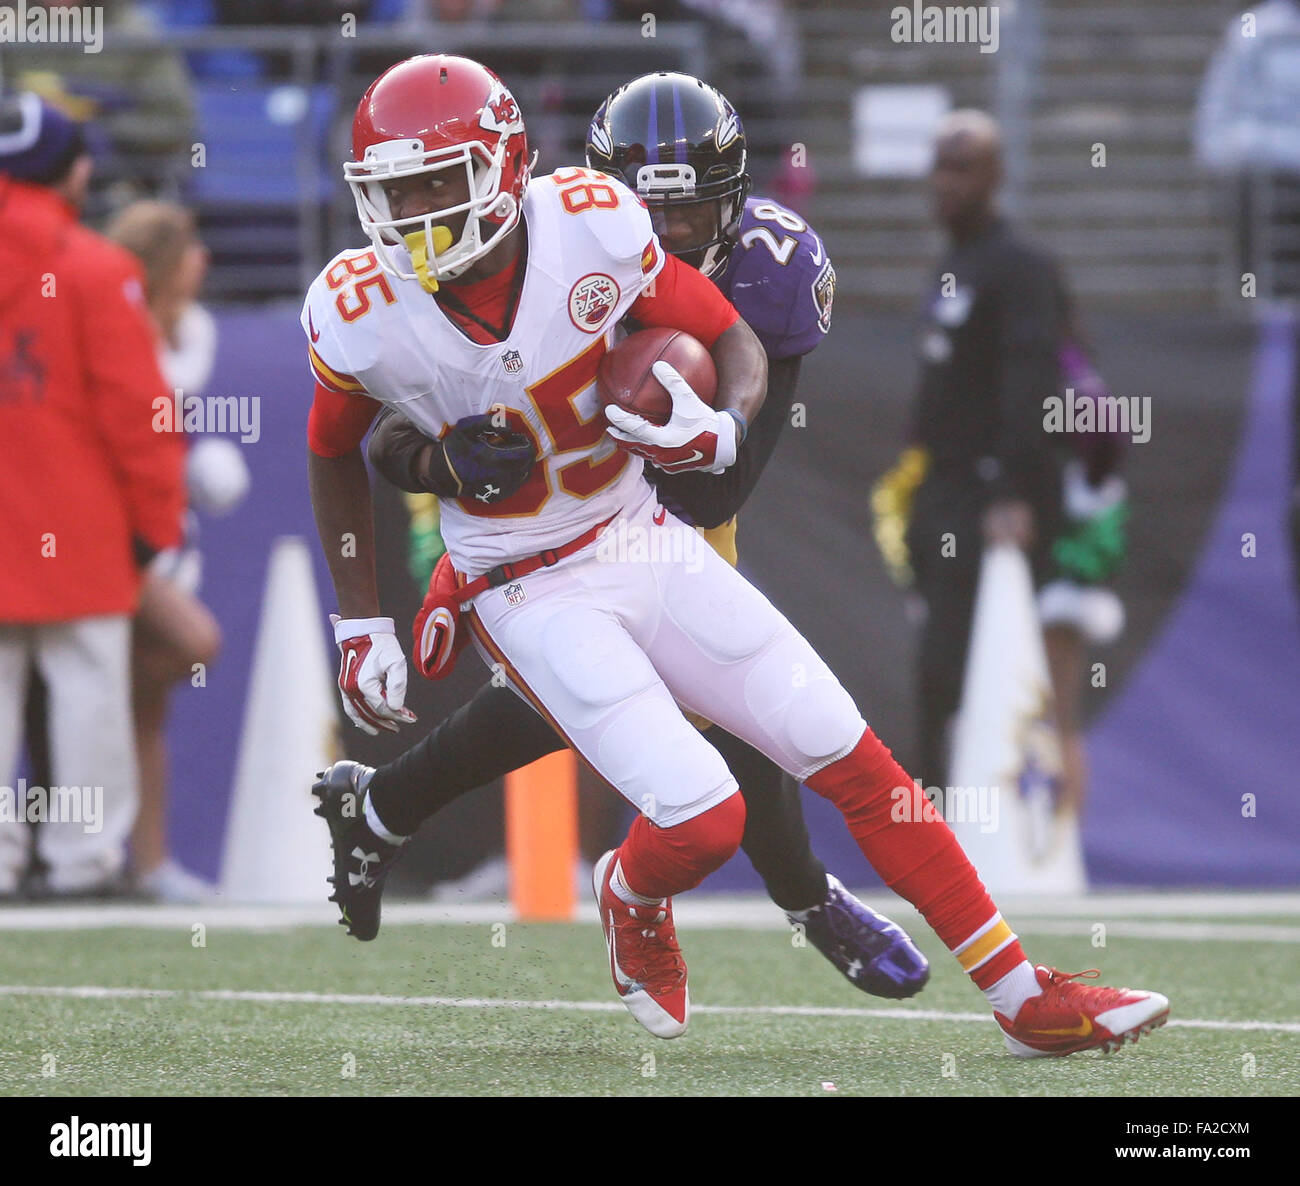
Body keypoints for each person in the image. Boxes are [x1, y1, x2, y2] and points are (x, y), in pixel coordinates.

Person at [303, 54, 1168, 1052]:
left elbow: (728, 337)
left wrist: (718, 426)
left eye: (434, 184)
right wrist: (362, 615)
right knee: (703, 816)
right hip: (524, 580)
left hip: (639, 531)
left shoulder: (592, 225)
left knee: (853, 755)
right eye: (392, 190)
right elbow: (339, 446)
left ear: (500, 167)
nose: (413, 214)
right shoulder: (362, 305)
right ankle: (630, 892)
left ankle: (1023, 997)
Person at [353, 71, 928, 1000]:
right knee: (601, 696)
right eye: (646, 218)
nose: (663, 244)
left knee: (715, 695)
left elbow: (715, 491)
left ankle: (386, 804)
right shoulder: (538, 242)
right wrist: (446, 462)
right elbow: (384, 427)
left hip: (668, 497)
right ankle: (806, 897)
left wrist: (696, 418)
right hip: (544, 497)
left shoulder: (766, 271)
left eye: (691, 219)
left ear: (732, 204)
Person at [0, 93, 186, 897]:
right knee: (86, 695)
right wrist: (156, 522)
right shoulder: (98, 269)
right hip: (79, 530)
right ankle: (84, 862)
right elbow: (140, 418)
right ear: (69, 169)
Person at [105, 200, 250, 902]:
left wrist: (187, 470)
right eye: (192, 247)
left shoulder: (189, 337)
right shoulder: (113, 329)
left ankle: (145, 861)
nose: (204, 261)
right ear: (163, 263)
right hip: (103, 545)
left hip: (157, 543)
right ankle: (86, 852)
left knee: (143, 705)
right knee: (192, 645)